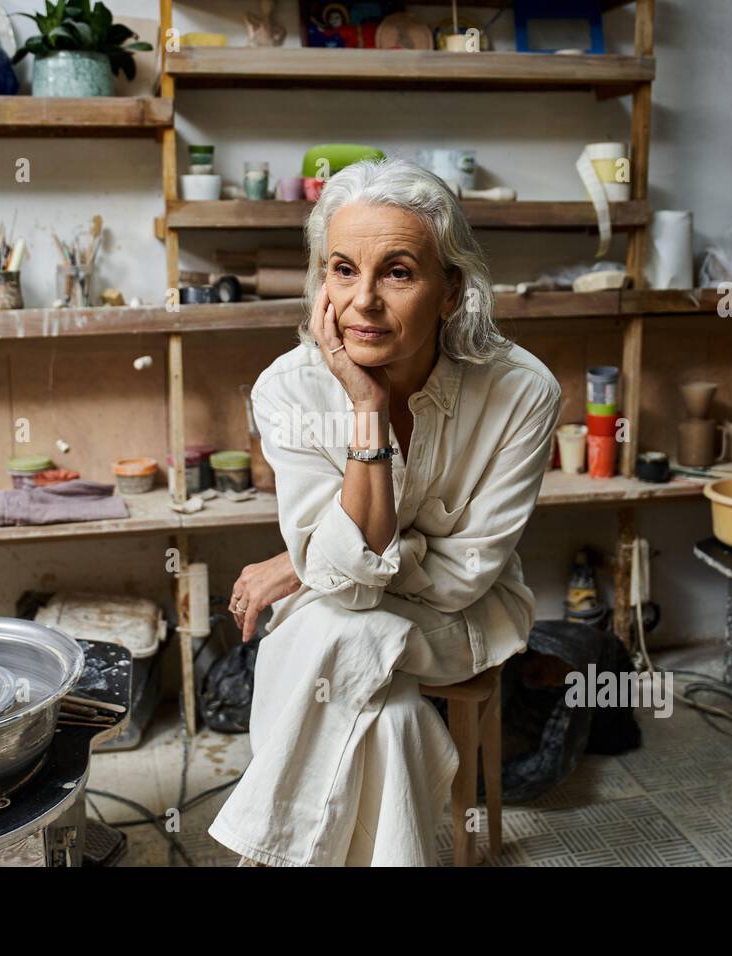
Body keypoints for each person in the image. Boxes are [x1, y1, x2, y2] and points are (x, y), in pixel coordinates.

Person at [208, 158, 562, 866]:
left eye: (397, 272)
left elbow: (464, 576)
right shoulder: (290, 391)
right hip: (346, 620)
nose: (362, 301)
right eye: (342, 270)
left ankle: (261, 855)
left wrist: (302, 565)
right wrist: (366, 411)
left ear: (450, 289)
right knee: (391, 718)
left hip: (463, 620)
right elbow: (345, 578)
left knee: (333, 621)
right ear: (321, 284)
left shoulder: (522, 392)